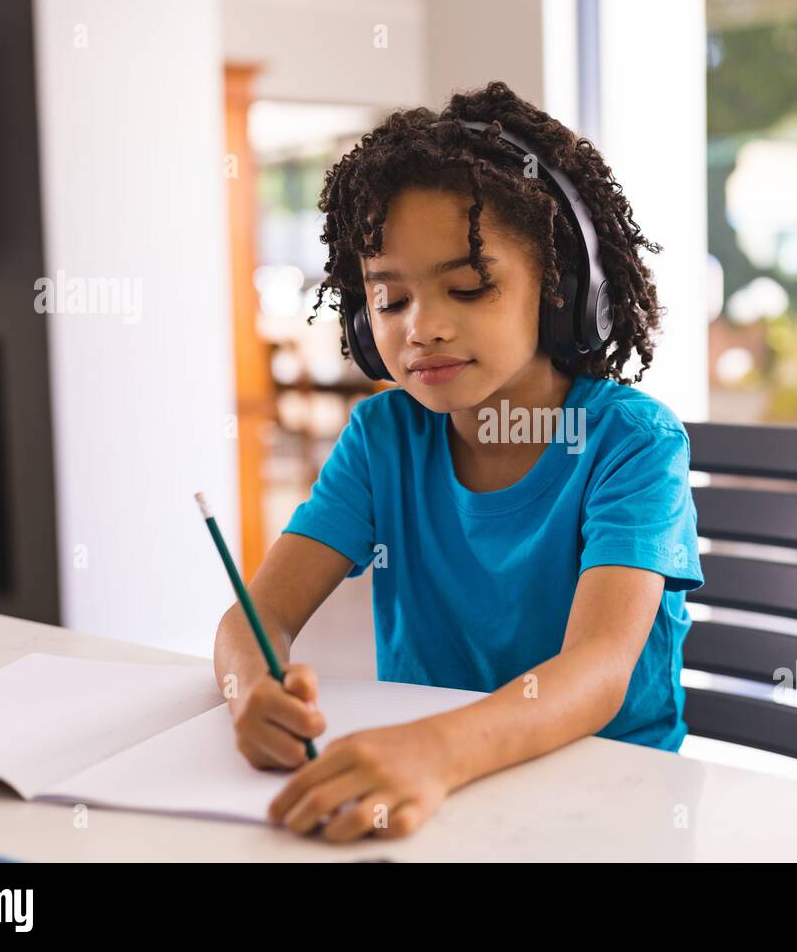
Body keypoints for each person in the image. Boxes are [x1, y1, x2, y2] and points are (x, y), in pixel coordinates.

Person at [213, 80, 704, 842]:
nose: (424, 328)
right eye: (390, 298)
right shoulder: (383, 440)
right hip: (432, 798)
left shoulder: (631, 445)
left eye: (469, 287)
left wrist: (438, 751)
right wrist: (252, 691)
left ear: (560, 287)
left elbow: (599, 670)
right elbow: (259, 617)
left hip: (610, 802)